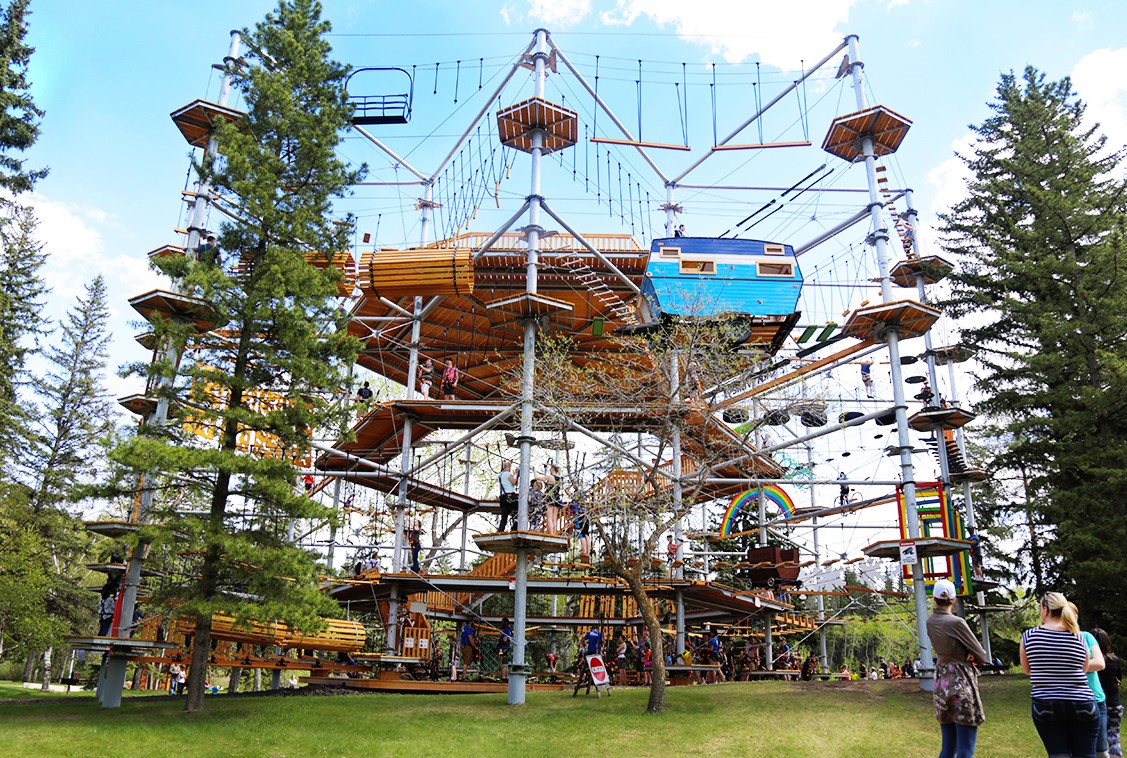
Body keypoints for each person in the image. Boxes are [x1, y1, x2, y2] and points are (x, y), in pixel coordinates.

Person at [1021, 592, 1104, 758]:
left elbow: (1027, 670)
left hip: (1045, 702)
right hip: (1082, 701)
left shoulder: (1029, 636)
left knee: (1058, 754)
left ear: (1045, 609)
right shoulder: (1078, 636)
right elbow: (1084, 668)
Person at [926, 579, 988, 758]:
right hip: (961, 680)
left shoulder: (930, 622)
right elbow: (981, 656)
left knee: (948, 747)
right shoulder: (957, 623)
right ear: (953, 599)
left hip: (941, 680)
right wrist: (969, 653)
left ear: (934, 598)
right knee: (965, 748)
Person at [1093, 629, 1122, 758]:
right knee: (1114, 737)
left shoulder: (1092, 663)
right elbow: (1118, 679)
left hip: (1097, 704)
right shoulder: (1114, 660)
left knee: (1097, 740)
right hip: (1114, 703)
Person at [497, 460, 518, 532]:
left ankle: (500, 530)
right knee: (516, 513)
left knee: (504, 517)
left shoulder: (500, 475)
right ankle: (514, 528)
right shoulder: (508, 474)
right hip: (510, 496)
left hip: (503, 497)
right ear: (508, 467)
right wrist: (517, 474)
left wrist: (514, 474)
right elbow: (515, 483)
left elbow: (506, 482)